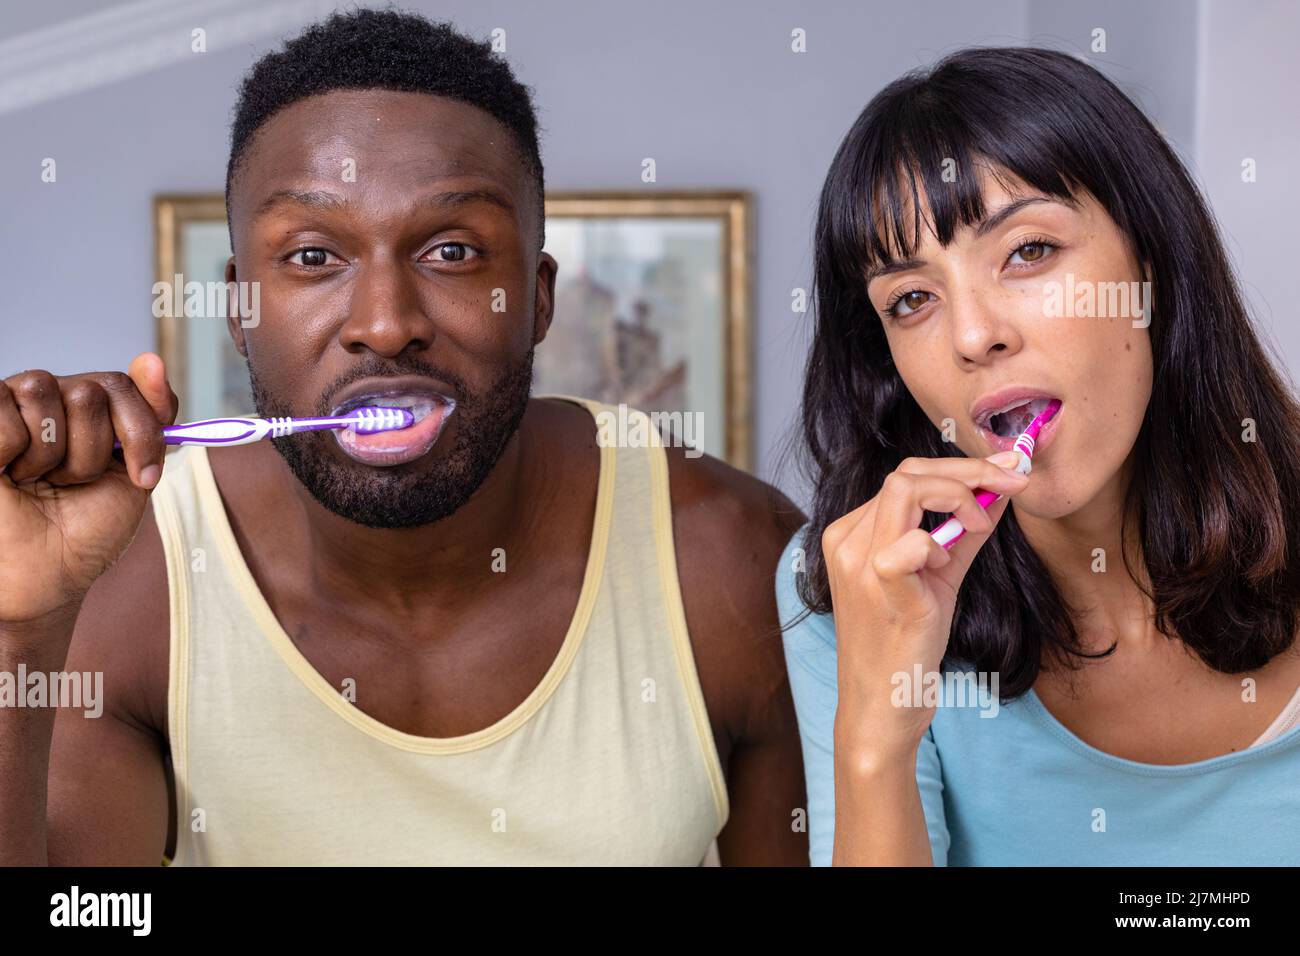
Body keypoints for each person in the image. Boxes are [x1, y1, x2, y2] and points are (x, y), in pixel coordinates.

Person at [0, 9, 807, 866]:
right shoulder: (134, 582)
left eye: (453, 250)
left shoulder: (736, 566)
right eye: (314, 257)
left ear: (537, 299)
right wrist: (18, 636)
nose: (386, 325)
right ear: (239, 307)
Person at [777, 47, 1300, 866]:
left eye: (1028, 252)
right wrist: (875, 734)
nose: (974, 335)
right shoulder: (850, 581)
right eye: (912, 300)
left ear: (1150, 264)